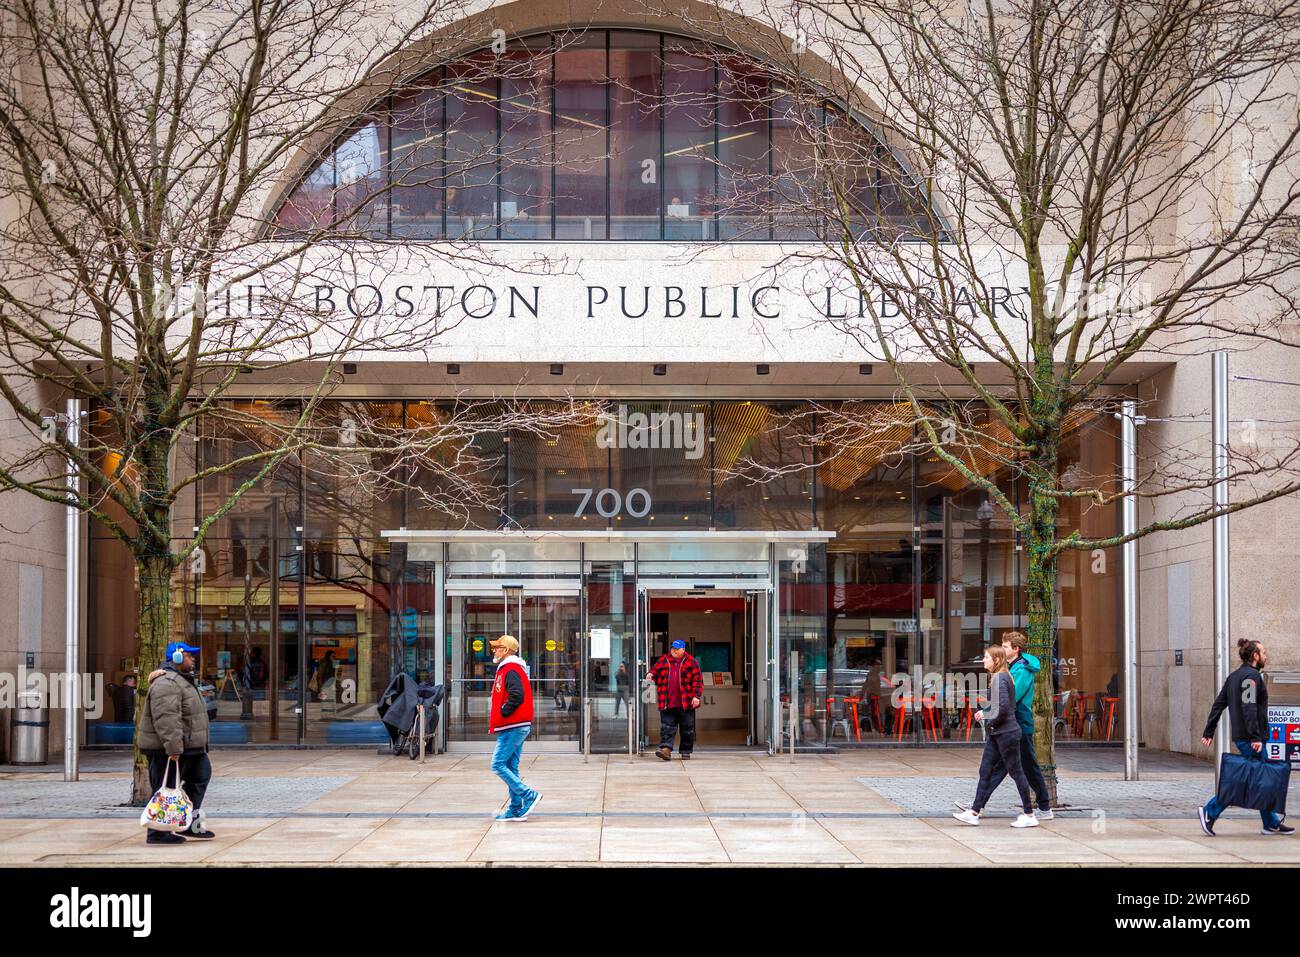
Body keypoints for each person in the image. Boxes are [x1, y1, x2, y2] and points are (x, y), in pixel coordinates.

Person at [1198, 638, 1295, 836]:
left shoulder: (1234, 677)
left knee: (1260, 778)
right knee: (1248, 779)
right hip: (1252, 739)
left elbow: (1218, 704)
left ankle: (1270, 822)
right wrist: (1255, 738)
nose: (1266, 656)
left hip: (1246, 737)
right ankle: (1210, 811)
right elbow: (1249, 708)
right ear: (1255, 656)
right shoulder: (1252, 677)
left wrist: (1209, 731)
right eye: (1264, 652)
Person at [957, 632, 1052, 819]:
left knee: (1025, 768)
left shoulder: (1022, 670)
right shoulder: (1012, 667)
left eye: (1006, 646)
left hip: (1018, 725)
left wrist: (987, 711)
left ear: (1016, 649)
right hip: (1007, 726)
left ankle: (1043, 808)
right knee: (997, 768)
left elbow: (1010, 699)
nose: (1002, 648)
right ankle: (977, 806)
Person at [139, 641, 214, 844]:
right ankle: (157, 832)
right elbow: (167, 719)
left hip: (190, 747)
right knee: (166, 789)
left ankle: (186, 822)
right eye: (189, 656)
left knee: (200, 775)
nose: (193, 659)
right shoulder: (167, 683)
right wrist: (173, 749)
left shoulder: (182, 680)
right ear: (178, 658)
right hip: (170, 749)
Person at [488, 634, 542, 822]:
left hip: (513, 725)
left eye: (498, 647)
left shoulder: (510, 668)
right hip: (515, 725)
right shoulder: (510, 668)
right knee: (511, 766)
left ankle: (529, 795)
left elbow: (517, 695)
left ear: (507, 650)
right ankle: (516, 809)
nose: (494, 650)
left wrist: (503, 712)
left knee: (497, 764)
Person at [647, 639, 703, 761]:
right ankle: (666, 750)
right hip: (667, 701)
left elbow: (698, 681)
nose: (673, 651)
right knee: (667, 727)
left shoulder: (692, 662)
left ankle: (685, 751)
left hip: (686, 702)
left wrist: (696, 696)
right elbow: (654, 670)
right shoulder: (663, 660)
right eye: (672, 648)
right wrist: (650, 674)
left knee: (687, 727)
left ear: (683, 649)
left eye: (676, 649)